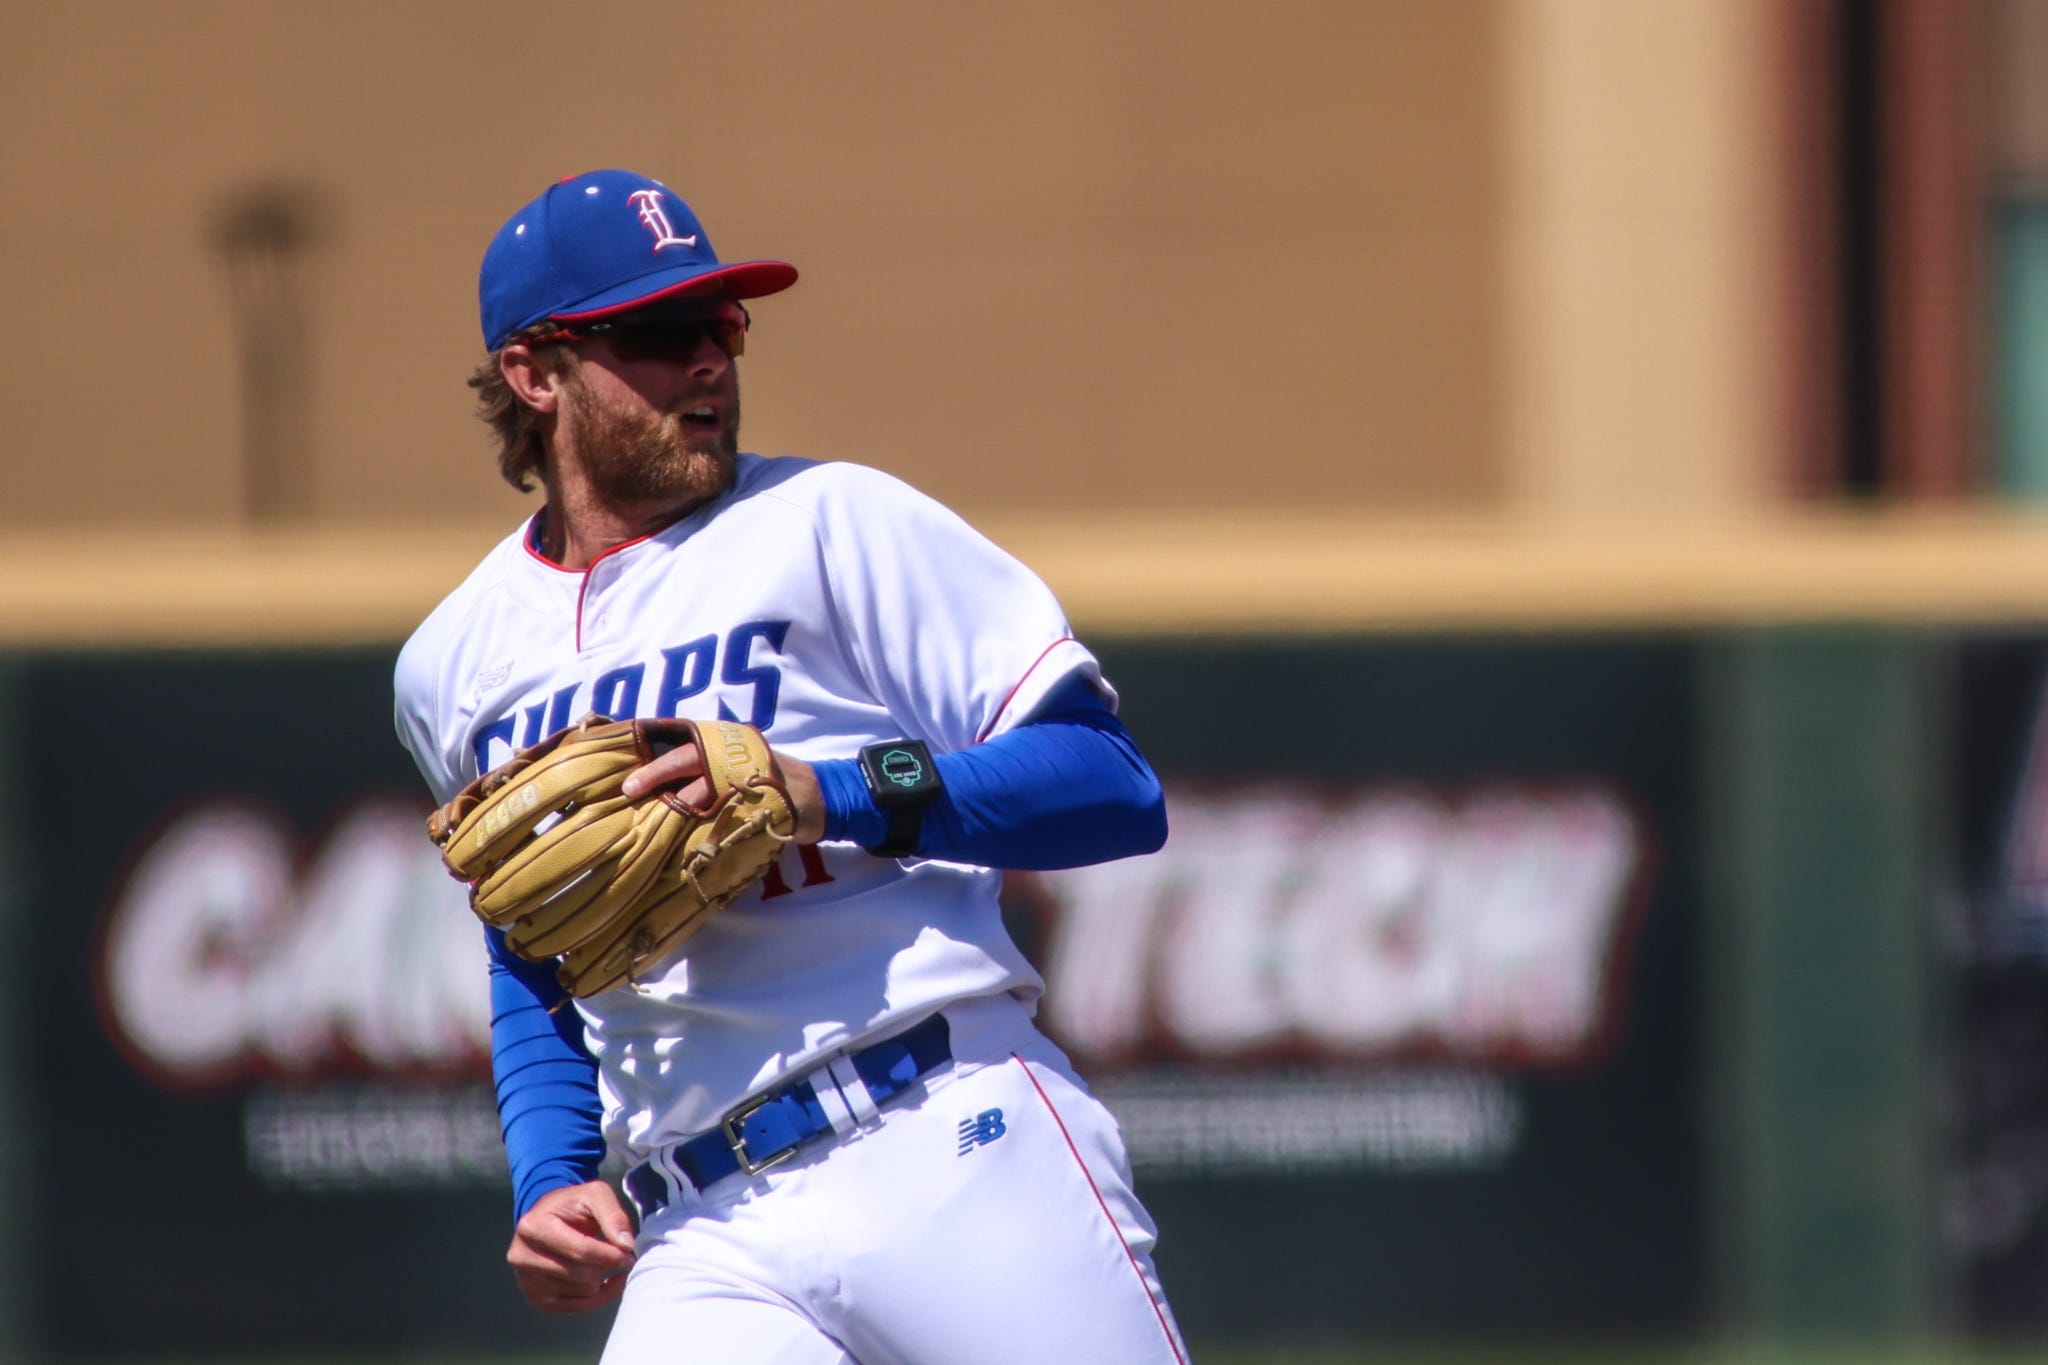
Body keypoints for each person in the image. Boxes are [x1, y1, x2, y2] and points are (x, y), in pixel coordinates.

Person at [392, 168, 1188, 1365]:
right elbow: (536, 939)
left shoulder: (833, 522)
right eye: (660, 334)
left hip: (942, 1138)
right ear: (533, 373)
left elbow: (1107, 783)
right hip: (701, 1227)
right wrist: (550, 1175)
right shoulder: (450, 662)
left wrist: (834, 793)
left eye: (723, 325)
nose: (709, 361)